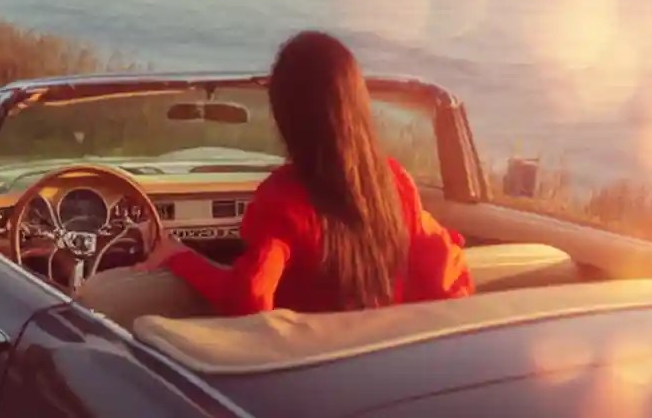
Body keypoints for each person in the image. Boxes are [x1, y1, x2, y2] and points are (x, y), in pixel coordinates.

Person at [76, 31, 474, 325]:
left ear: (288, 116)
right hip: (376, 371)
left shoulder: (284, 201)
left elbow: (248, 299)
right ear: (356, 104)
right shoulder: (394, 182)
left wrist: (178, 257)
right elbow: (446, 271)